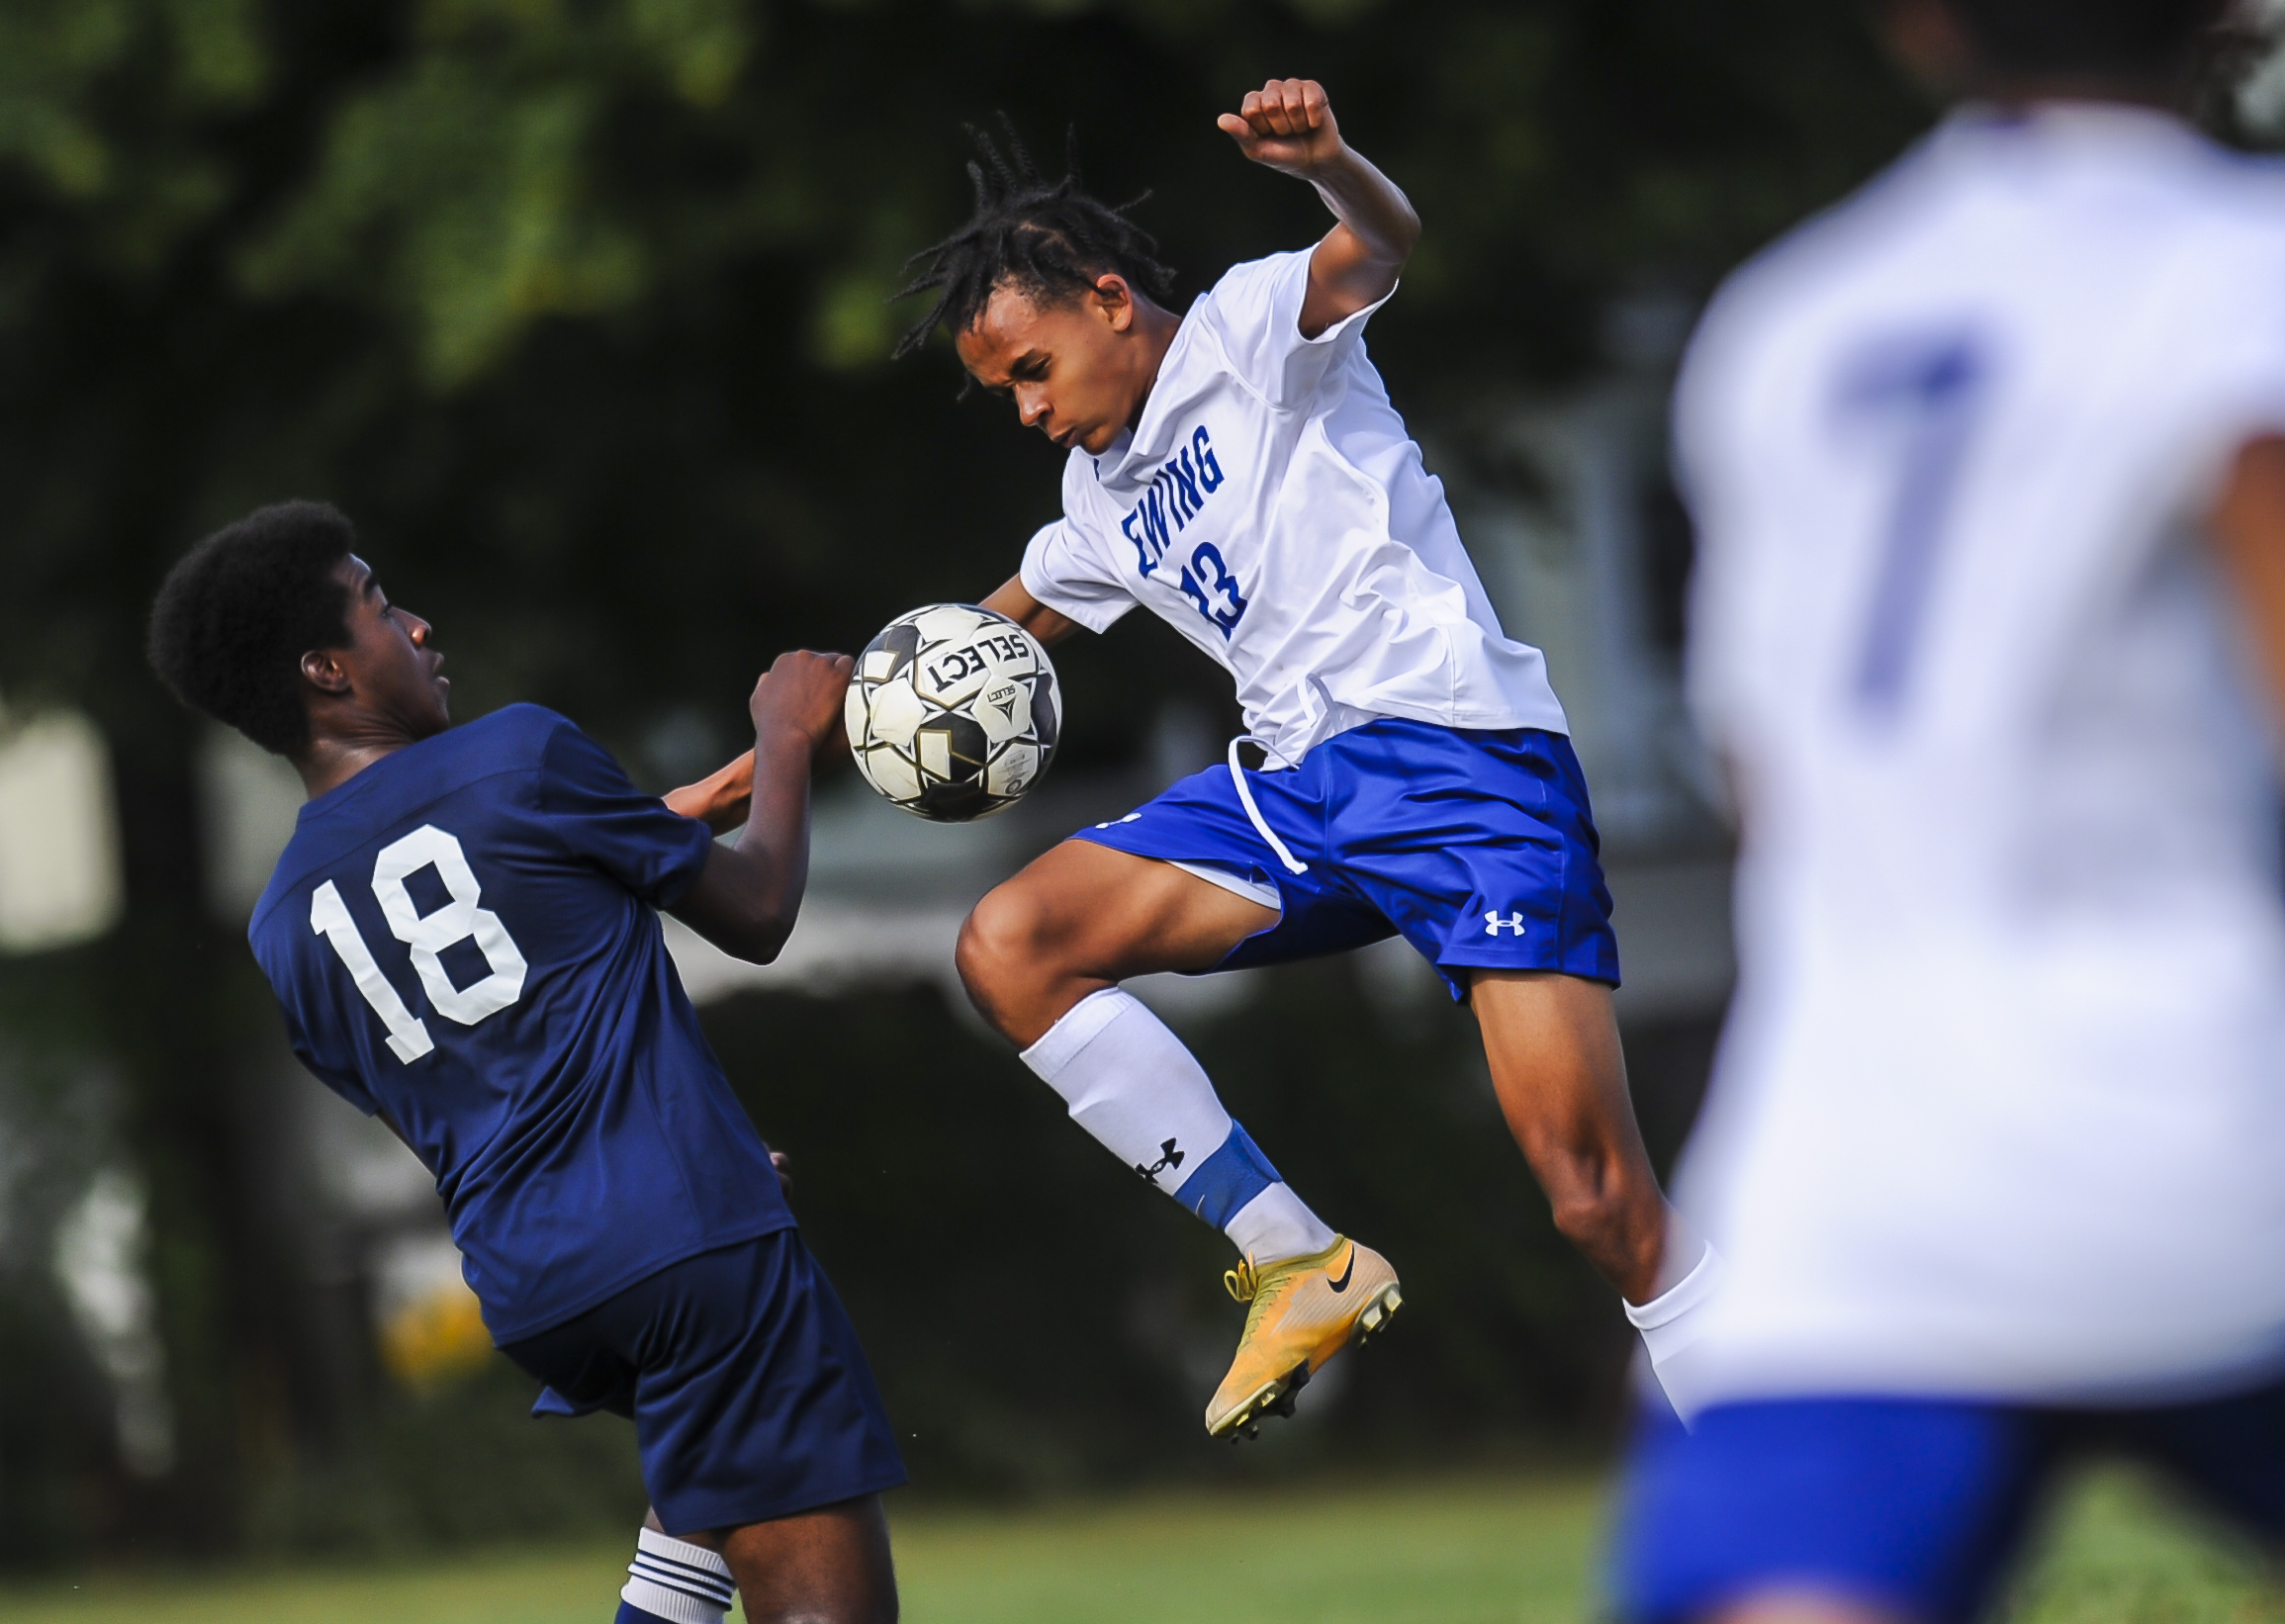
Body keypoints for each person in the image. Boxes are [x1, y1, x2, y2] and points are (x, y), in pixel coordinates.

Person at [887, 80, 1711, 1438]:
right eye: (1001, 395)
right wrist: (774, 752)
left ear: (1108, 300)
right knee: (1012, 944)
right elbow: (973, 645)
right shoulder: (1096, 496)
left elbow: (1377, 244)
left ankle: (1792, 1434)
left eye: (1029, 370)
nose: (1024, 410)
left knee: (1595, 1200)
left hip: (1459, 768)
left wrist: (1331, 164)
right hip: (1297, 798)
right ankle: (1296, 1257)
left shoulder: (1249, 329)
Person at [1610, 2, 2285, 1619]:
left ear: (1916, 25)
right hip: (2211, 1116)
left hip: (1862, 1169)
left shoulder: (1792, 318)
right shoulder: (2239, 269)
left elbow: (1768, 784)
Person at [145, 501, 902, 1624]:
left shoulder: (283, 924)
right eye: (379, 605)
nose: (417, 624)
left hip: (537, 1290)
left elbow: (467, 1092)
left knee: (707, 1484)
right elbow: (754, 913)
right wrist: (784, 728)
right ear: (325, 669)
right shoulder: (518, 753)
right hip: (683, 1236)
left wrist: (707, 1161)